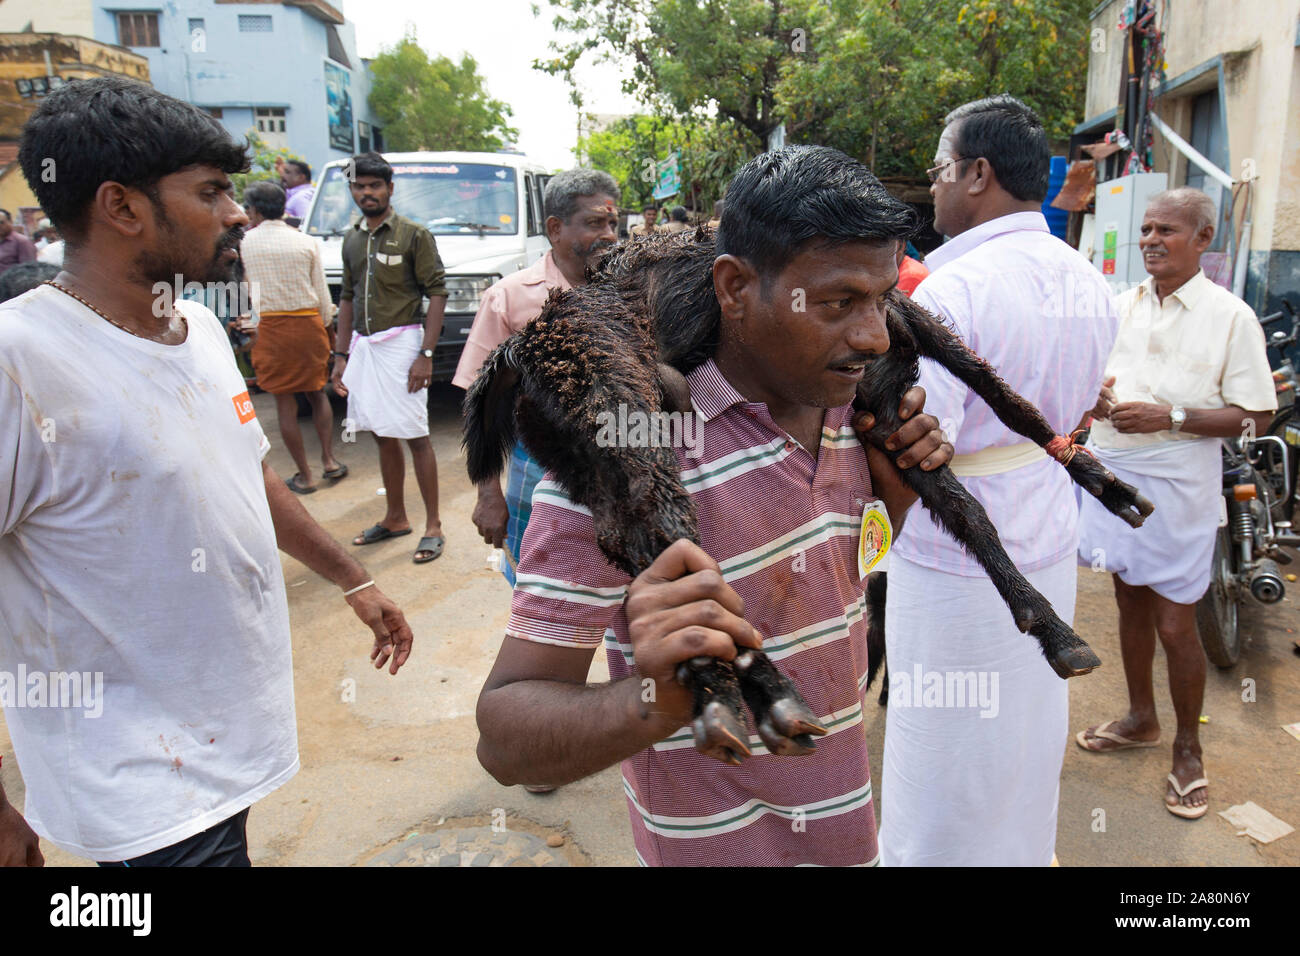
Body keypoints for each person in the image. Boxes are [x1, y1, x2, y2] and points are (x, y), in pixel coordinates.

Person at [475, 145, 953, 866]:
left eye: (884, 298)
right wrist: (658, 700)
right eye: (836, 303)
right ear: (733, 288)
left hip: (850, 839)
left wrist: (895, 502)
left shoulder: (851, 416)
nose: (875, 335)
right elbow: (506, 740)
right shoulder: (629, 458)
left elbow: (830, 592)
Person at [0, 76, 413, 868]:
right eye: (212, 192)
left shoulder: (193, 327)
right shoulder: (22, 362)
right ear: (121, 208)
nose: (236, 214)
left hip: (225, 752)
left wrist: (354, 580)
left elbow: (247, 475)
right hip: (140, 786)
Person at [880, 94, 1118, 866]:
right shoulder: (1086, 277)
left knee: (944, 746)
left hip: (961, 552)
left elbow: (921, 447)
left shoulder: (953, 291)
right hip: (1046, 527)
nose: (935, 186)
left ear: (978, 173)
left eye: (942, 170)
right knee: (1022, 728)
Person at [1074, 187, 1277, 820]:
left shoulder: (1230, 315)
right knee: (1127, 596)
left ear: (1203, 240)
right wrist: (1096, 399)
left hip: (1180, 484)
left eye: (1167, 230)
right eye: (1146, 229)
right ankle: (1141, 719)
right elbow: (1085, 380)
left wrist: (1174, 415)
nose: (1151, 240)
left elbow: (1256, 414)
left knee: (1174, 620)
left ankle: (1188, 749)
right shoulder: (1117, 307)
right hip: (1113, 473)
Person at [454, 168, 619, 586]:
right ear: (555, 228)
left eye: (613, 223)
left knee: (624, 588)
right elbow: (480, 402)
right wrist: (488, 492)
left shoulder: (630, 288)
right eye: (596, 223)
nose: (611, 235)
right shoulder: (509, 298)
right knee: (542, 589)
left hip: (621, 458)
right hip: (538, 466)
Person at [330, 151, 449, 564]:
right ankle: (396, 517)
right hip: (365, 347)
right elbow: (346, 297)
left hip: (404, 346)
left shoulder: (414, 235)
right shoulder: (352, 239)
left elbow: (437, 292)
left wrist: (426, 354)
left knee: (415, 434)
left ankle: (433, 525)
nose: (367, 193)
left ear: (389, 189)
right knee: (382, 433)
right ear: (352, 191)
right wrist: (340, 354)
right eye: (359, 186)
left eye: (374, 185)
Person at [240, 180, 345, 493]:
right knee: (316, 393)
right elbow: (323, 297)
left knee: (285, 402)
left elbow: (243, 294)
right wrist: (329, 330)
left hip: (269, 330)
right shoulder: (305, 241)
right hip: (308, 324)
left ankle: (305, 475)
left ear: (255, 210)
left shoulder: (244, 243)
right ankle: (329, 461)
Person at [278, 158, 315, 224]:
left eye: (287, 172)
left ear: (301, 177)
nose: (283, 175)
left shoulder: (301, 197)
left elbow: (306, 223)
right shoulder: (306, 193)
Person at [0, 209, 36, 274]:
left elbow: (30, 269)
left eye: (1, 223)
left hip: (12, 282)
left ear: (10, 221)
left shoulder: (22, 241)